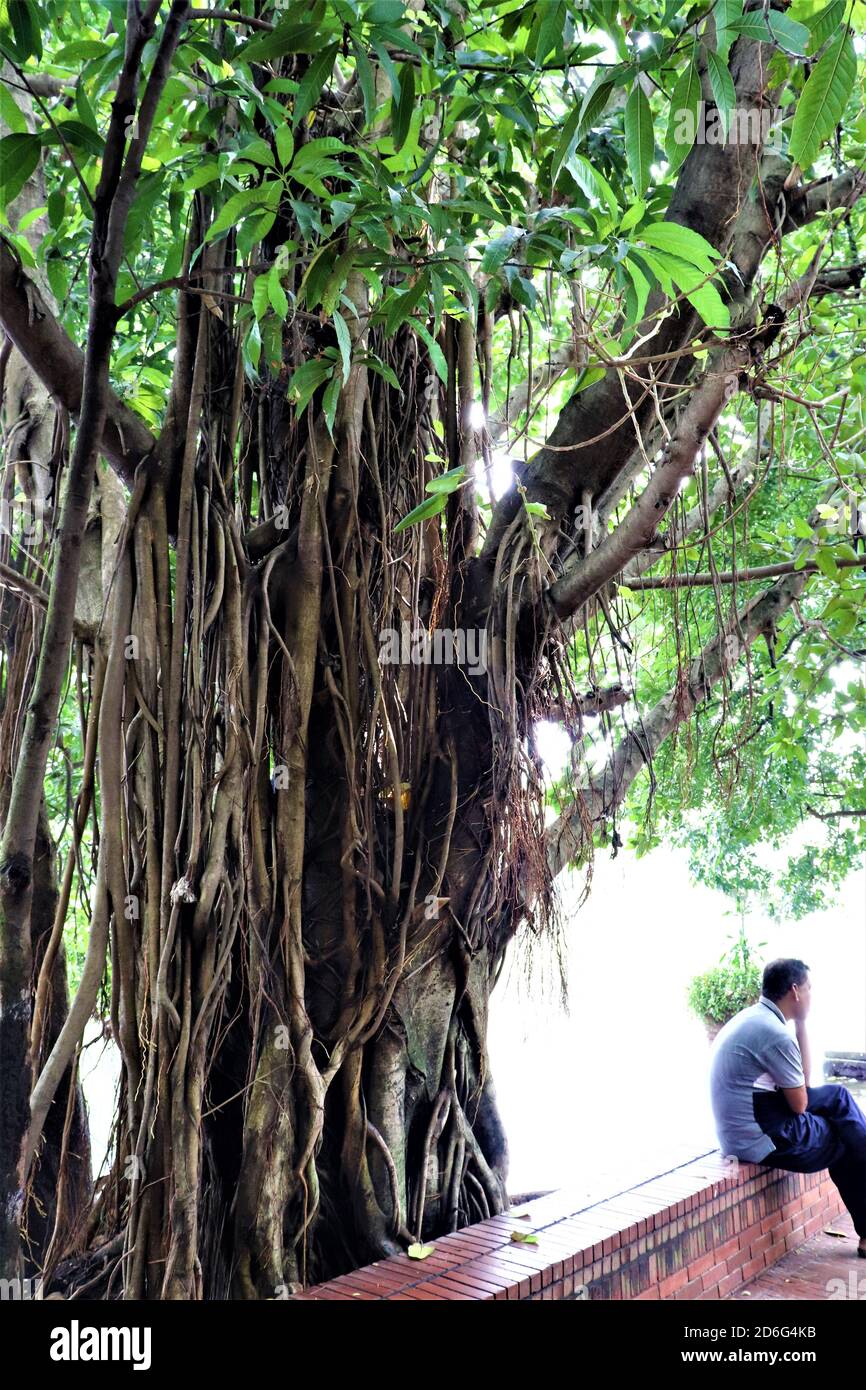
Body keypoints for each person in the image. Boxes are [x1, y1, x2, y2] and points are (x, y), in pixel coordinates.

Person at [709, 958, 866, 1257]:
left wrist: (802, 1023)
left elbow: (800, 1083)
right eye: (809, 988)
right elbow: (800, 1103)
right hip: (761, 1137)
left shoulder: (755, 1019)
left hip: (746, 1126)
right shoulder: (774, 1034)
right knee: (847, 1132)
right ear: (795, 991)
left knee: (841, 1102)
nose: (811, 994)